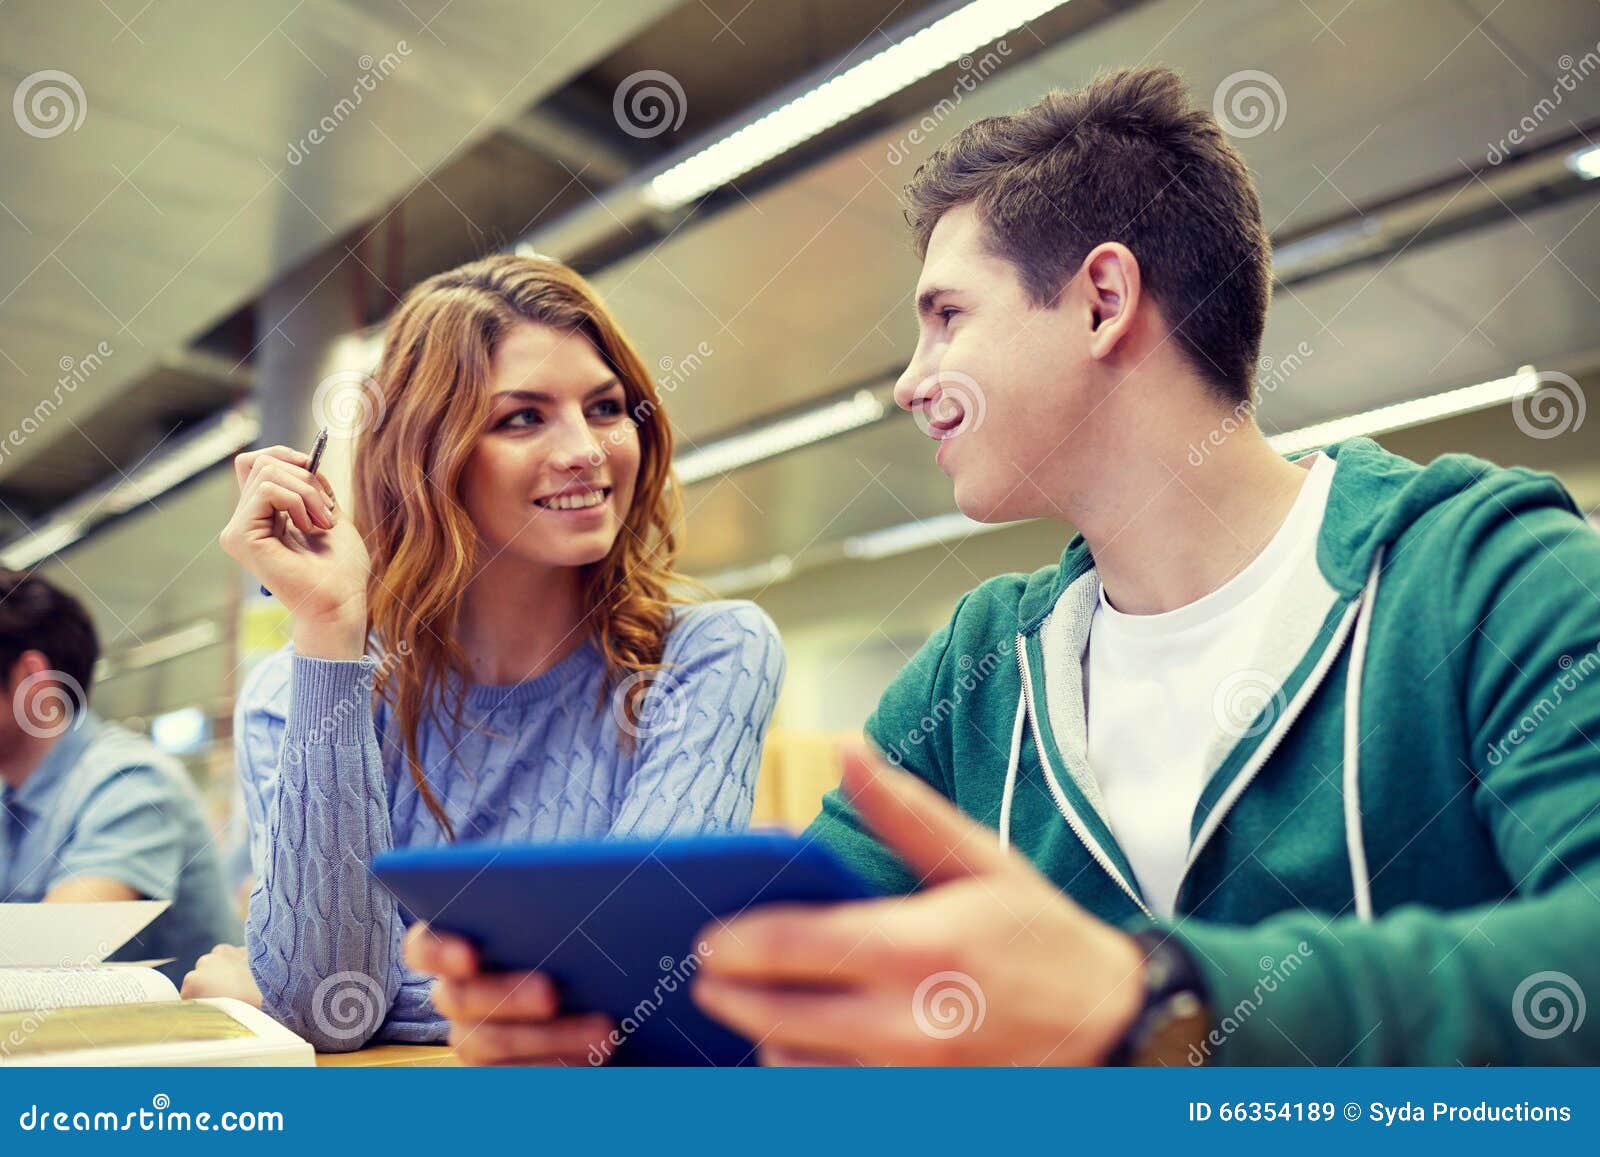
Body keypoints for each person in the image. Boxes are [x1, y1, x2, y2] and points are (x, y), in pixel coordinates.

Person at [410, 67, 1600, 1065]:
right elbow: (796, 988)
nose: (907, 379)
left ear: (1099, 300)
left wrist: (1148, 997)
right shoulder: (982, 669)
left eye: (945, 317)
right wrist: (600, 1023)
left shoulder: (1481, 577)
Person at [184, 255, 784, 1053]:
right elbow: (332, 998)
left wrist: (298, 993)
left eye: (605, 406)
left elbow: (635, 978)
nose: (587, 450)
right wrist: (329, 625)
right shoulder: (297, 692)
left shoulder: (708, 656)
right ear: (431, 456)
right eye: (522, 418)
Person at [0, 569, 239, 984]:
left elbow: (48, 955)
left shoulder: (132, 781)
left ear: (31, 681)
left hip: (174, 1044)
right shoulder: (10, 797)